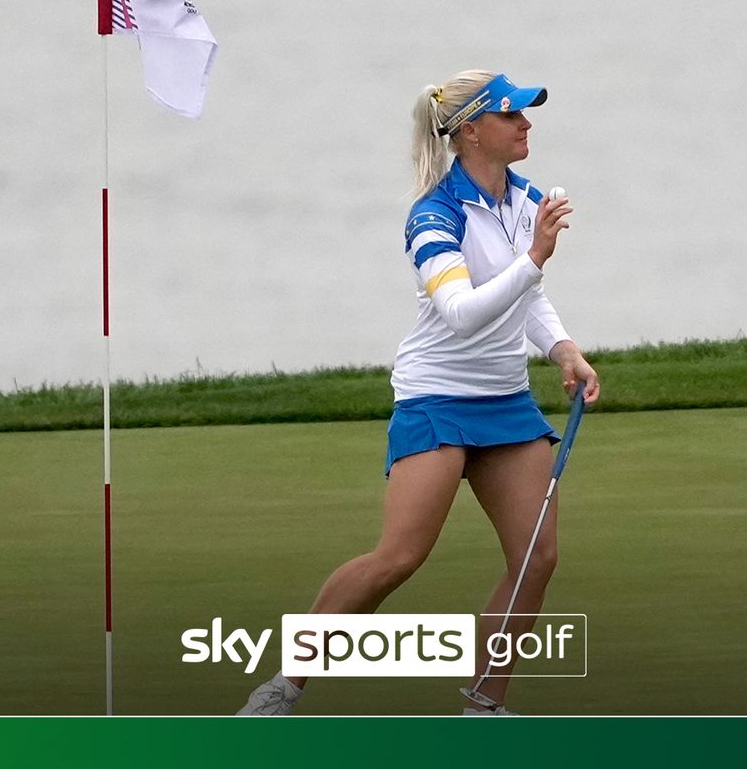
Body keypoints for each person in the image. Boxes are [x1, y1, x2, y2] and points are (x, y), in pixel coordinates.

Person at [238, 70, 600, 716]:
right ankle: (282, 689)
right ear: (470, 130)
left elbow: (529, 299)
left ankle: (483, 708)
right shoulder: (434, 215)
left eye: (525, 115)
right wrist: (536, 257)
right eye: (512, 115)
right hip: (436, 398)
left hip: (507, 403)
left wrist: (562, 349)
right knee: (399, 555)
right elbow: (462, 312)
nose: (527, 125)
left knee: (537, 559)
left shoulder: (525, 200)